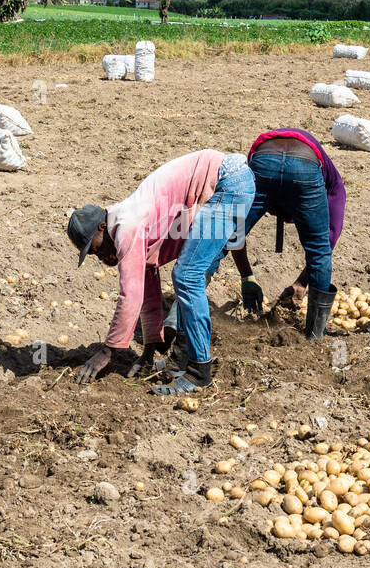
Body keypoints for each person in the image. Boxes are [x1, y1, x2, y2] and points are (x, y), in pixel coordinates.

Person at [68, 149, 254, 395]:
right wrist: (150, 346)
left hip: (226, 183)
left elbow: (131, 295)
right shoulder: (126, 220)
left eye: (95, 248)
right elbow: (147, 285)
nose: (99, 257)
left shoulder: (125, 227)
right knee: (189, 275)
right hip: (229, 182)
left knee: (187, 276)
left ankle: (200, 373)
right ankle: (183, 361)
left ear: (103, 227)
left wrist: (106, 351)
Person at [229, 127, 345, 339]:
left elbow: (233, 234)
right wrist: (303, 281)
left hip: (264, 161)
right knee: (318, 250)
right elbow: (325, 244)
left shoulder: (332, 182)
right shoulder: (334, 185)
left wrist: (247, 276)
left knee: (223, 233)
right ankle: (316, 335)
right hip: (305, 166)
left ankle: (182, 315)